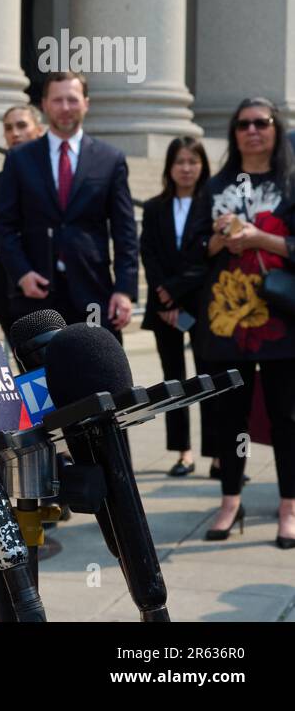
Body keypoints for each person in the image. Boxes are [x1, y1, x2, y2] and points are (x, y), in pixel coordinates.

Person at [194, 98, 295, 548]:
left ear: (276, 129)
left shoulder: (291, 183)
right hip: (225, 318)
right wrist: (219, 242)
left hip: (280, 317)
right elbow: (194, 249)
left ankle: (289, 505)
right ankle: (230, 500)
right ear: (233, 133)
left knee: (285, 417)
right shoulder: (215, 184)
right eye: (243, 124)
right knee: (228, 415)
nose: (253, 131)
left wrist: (258, 237)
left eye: (262, 123)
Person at [0, 70, 139, 336]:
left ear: (86, 103)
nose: (65, 108)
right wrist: (22, 273)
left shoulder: (110, 159)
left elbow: (125, 230)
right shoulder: (19, 159)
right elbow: (4, 225)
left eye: (72, 100)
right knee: (41, 376)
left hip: (94, 293)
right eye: (57, 100)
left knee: (99, 374)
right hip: (36, 293)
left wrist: (125, 289)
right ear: (44, 105)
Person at [139, 137, 213, 477]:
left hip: (203, 307)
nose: (186, 168)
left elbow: (208, 260)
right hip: (165, 308)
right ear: (170, 167)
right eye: (180, 161)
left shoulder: (212, 204)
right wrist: (163, 297)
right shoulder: (155, 207)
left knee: (209, 378)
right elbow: (149, 254)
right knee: (173, 380)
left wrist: (173, 291)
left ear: (202, 166)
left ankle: (218, 454)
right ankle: (183, 451)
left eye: (192, 161)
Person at [0, 104, 46, 343]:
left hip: (48, 282)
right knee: (27, 362)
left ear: (39, 130)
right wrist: (0, 226)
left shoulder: (52, 177)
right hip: (6, 287)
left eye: (22, 125)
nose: (15, 133)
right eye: (8, 128)